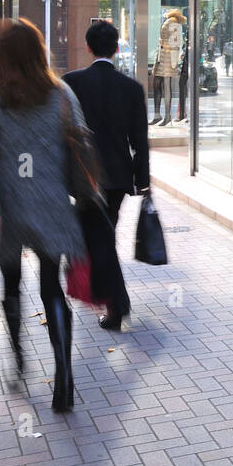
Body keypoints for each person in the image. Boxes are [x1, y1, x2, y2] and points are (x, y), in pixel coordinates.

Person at [0, 18, 88, 412]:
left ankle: (19, 358)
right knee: (51, 286)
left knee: (10, 285)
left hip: (10, 208)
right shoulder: (61, 96)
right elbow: (83, 141)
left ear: (2, 59)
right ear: (39, 54)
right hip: (52, 204)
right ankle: (64, 375)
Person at [62, 20, 148, 332]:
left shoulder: (71, 83)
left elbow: (63, 133)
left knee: (101, 240)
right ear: (116, 49)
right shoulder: (132, 88)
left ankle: (116, 305)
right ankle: (110, 302)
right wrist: (143, 182)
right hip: (118, 178)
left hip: (84, 179)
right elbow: (140, 140)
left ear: (88, 47)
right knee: (104, 237)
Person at [150, 8, 185, 125]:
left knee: (165, 86)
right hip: (162, 55)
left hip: (168, 57)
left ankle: (167, 116)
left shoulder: (174, 22)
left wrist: (166, 48)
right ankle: (158, 115)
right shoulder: (171, 21)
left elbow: (176, 43)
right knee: (157, 84)